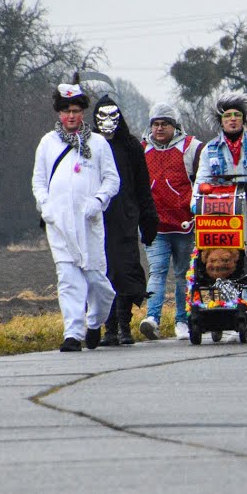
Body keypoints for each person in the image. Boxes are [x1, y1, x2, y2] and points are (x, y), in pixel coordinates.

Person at [31, 76, 120, 351]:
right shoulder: (48, 143)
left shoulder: (98, 144)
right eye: (67, 111)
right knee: (69, 279)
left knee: (98, 283)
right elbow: (38, 180)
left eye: (76, 111)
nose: (71, 116)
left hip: (89, 224)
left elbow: (111, 180)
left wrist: (98, 200)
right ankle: (73, 333)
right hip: (59, 224)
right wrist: (45, 206)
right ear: (60, 113)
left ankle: (94, 322)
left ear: (83, 113)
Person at [90, 94, 158, 346]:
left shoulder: (130, 146)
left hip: (125, 217)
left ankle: (123, 324)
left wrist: (148, 218)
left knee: (124, 270)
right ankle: (108, 327)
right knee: (102, 271)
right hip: (97, 219)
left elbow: (142, 185)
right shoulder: (89, 145)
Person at [139, 102, 202, 340]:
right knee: (157, 271)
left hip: (184, 224)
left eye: (164, 124)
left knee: (183, 274)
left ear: (174, 126)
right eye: (155, 124)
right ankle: (152, 318)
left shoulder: (191, 148)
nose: (159, 129)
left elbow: (202, 178)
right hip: (155, 226)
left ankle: (182, 320)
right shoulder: (142, 149)